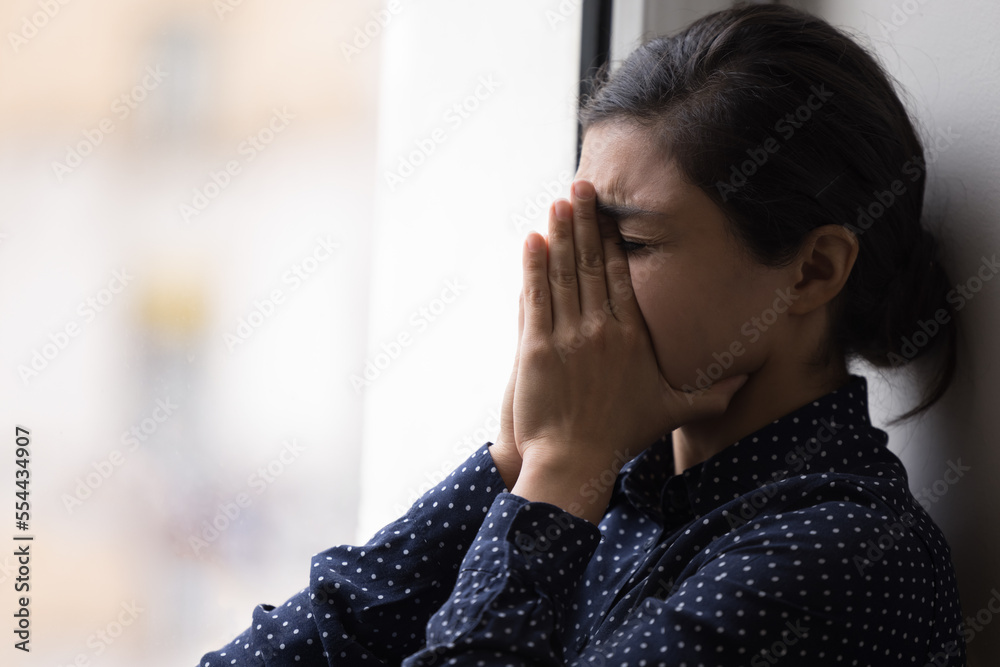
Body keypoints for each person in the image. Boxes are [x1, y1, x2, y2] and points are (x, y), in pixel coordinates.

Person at [197, 3, 966, 665]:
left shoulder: (844, 560)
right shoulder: (616, 483)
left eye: (628, 244)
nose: (573, 281)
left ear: (812, 271)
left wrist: (559, 467)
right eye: (572, 237)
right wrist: (516, 456)